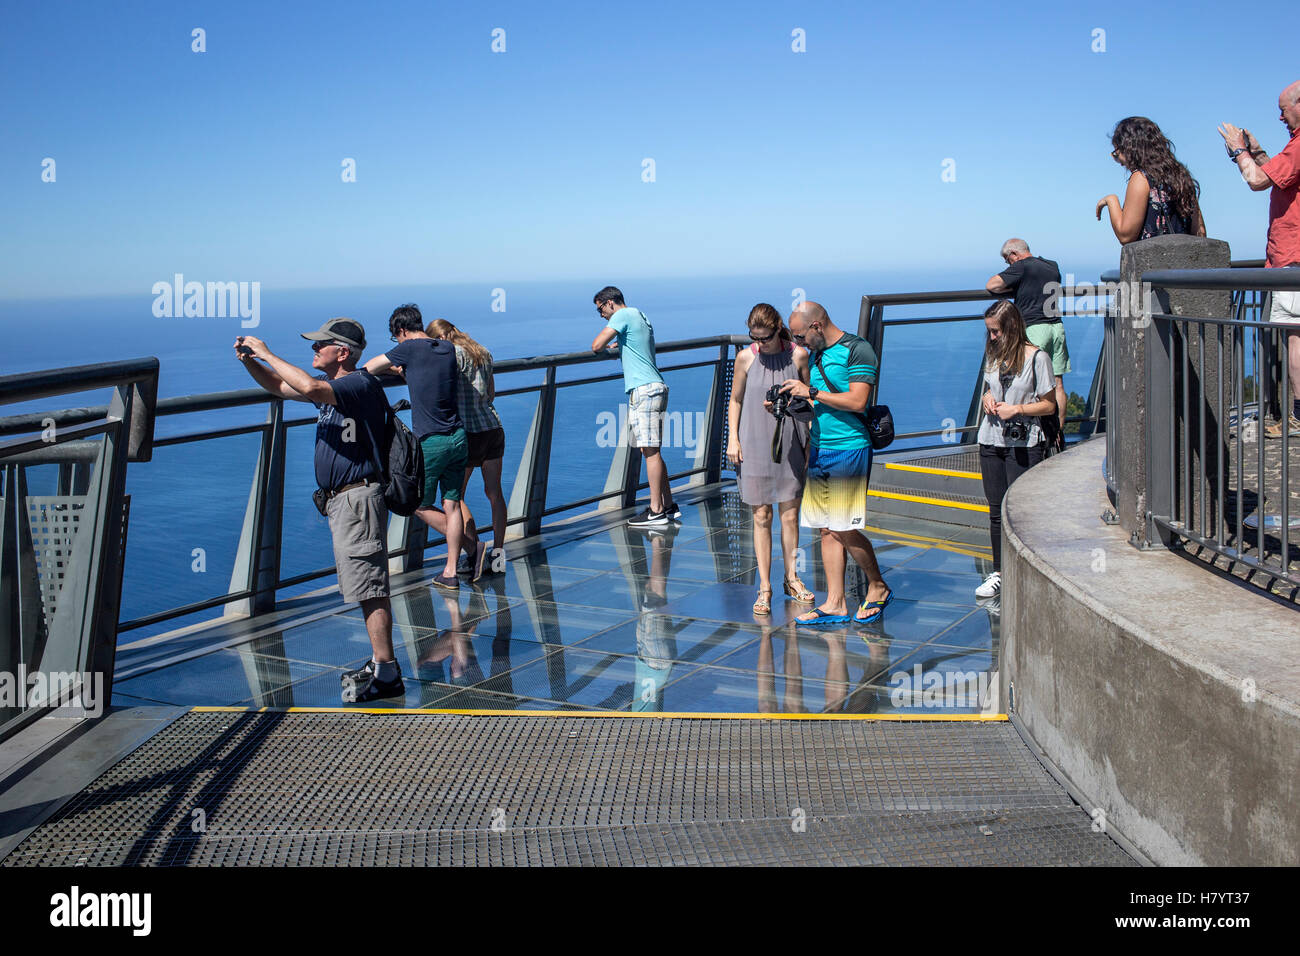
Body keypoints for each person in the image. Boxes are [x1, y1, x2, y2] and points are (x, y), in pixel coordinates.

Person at [234, 319, 403, 702]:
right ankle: (382, 664)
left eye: (319, 346)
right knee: (365, 585)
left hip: (358, 498)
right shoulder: (336, 391)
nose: (313, 352)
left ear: (342, 353)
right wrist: (250, 361)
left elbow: (307, 385)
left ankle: (388, 672)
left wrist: (266, 352)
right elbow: (279, 386)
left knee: (370, 586)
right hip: (345, 500)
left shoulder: (356, 385)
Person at [779, 301, 892, 625]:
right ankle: (835, 602)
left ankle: (877, 585)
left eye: (800, 336)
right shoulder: (815, 355)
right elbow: (817, 402)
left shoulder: (858, 350)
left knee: (844, 527)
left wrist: (811, 390)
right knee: (827, 529)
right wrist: (790, 402)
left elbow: (858, 401)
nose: (798, 343)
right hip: (821, 448)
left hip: (849, 447)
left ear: (817, 325)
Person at [363, 304, 474, 589]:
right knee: (451, 504)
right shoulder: (446, 348)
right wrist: (406, 371)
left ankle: (474, 549)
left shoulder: (408, 349)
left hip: (431, 440)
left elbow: (368, 369)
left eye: (396, 337)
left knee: (416, 503)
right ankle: (450, 570)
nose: (397, 343)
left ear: (401, 330)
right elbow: (428, 374)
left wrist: (397, 363)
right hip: (458, 437)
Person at [1219, 80, 1300, 439]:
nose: (1279, 115)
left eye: (1284, 108)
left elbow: (1255, 180)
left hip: (1293, 260)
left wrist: (1239, 152)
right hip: (1289, 259)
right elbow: (1276, 178)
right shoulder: (1294, 148)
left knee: (1295, 338)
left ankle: (1298, 417)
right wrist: (1259, 150)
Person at [725, 303, 815, 615]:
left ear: (778, 330)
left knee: (789, 515)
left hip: (790, 439)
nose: (760, 345)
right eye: (755, 338)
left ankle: (792, 577)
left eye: (765, 339)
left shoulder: (798, 355)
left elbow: (810, 398)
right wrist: (732, 439)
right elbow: (735, 400)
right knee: (761, 516)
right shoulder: (746, 357)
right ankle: (765, 586)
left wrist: (808, 436)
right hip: (753, 442)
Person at [975, 301, 1057, 599]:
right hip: (991, 438)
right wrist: (988, 399)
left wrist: (1018, 409)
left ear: (1011, 328)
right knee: (996, 510)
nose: (993, 337)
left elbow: (1049, 405)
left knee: (1021, 512)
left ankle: (1027, 568)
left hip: (1024, 442)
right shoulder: (994, 355)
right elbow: (991, 387)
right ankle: (999, 572)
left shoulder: (1038, 358)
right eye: (989, 332)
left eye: (996, 331)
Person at [590, 286, 680, 527]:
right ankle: (669, 505)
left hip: (644, 391)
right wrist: (620, 346)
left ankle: (656, 510)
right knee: (652, 450)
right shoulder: (640, 315)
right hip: (656, 387)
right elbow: (636, 346)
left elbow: (596, 345)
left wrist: (610, 342)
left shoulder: (621, 316)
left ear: (610, 303)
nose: (601, 315)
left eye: (600, 309)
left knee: (650, 451)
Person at [427, 319, 507, 572]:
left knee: (455, 496)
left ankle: (474, 552)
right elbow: (491, 394)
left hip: (468, 432)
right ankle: (498, 554)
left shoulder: (450, 356)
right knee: (494, 494)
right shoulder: (483, 352)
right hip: (492, 427)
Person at [986, 239, 1069, 436]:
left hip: (1034, 327)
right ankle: (1057, 433)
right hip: (1056, 327)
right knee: (1056, 383)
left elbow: (992, 284)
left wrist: (1014, 285)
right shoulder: (1052, 265)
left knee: (1027, 381)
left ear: (1013, 254)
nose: (1009, 266)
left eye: (1008, 261)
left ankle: (1031, 432)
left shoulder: (1022, 266)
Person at [1096, 116, 1206, 244]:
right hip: (1184, 262)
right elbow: (1200, 234)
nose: (1119, 161)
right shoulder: (1182, 178)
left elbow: (1125, 235)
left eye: (1116, 153)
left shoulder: (1141, 178)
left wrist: (1111, 201)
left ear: (1130, 149)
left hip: (1153, 262)